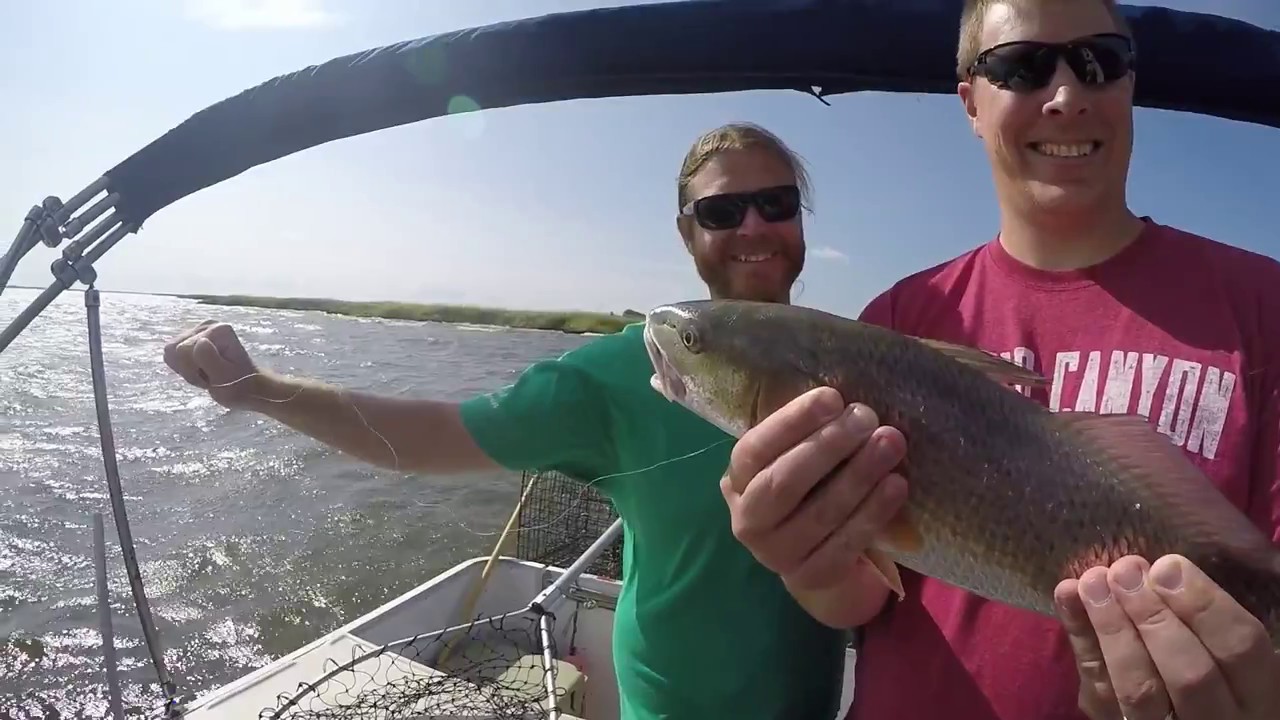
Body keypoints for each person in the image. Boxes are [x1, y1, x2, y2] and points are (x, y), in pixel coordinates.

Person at [163, 122, 849, 720]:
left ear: (800, 219)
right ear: (687, 233)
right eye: (722, 210)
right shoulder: (619, 375)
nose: (753, 226)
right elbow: (426, 436)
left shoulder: (865, 361)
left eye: (775, 203)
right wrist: (259, 389)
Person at [719, 1, 1280, 720]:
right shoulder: (896, 320)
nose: (1069, 95)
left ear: (1130, 83)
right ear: (971, 103)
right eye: (1020, 67)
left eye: (1099, 62)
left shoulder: (1263, 306)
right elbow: (860, 594)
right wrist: (801, 555)